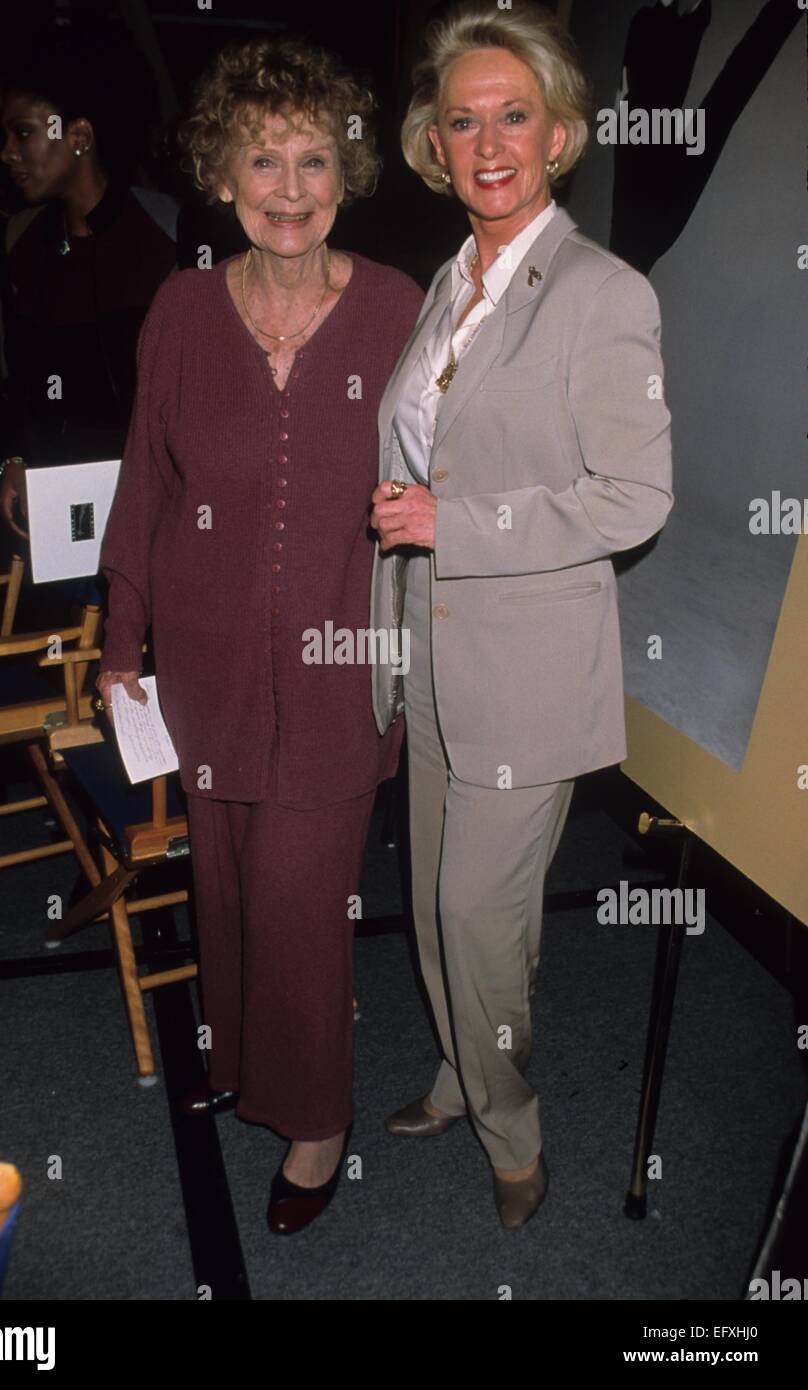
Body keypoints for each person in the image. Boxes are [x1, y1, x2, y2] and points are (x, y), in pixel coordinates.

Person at [96, 36, 423, 1235]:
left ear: (347, 174)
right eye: (263, 161)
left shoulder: (396, 309)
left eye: (314, 160)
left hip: (344, 670)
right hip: (208, 661)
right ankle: (250, 1064)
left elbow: (460, 463)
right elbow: (145, 481)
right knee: (227, 889)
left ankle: (318, 1119)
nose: (291, 186)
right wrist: (122, 639)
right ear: (221, 177)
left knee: (300, 902)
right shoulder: (182, 309)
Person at [370, 0, 673, 1230]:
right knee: (442, 901)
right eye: (461, 120)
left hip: (527, 667)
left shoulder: (602, 293)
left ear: (560, 135)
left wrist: (461, 527)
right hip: (430, 646)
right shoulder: (451, 283)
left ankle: (513, 1129)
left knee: (472, 918)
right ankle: (460, 1068)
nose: (486, 142)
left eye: (513, 117)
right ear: (429, 143)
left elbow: (636, 496)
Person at [0, 19, 178, 552]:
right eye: (4, 136)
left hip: (153, 501)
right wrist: (15, 457)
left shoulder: (167, 230)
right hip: (59, 501)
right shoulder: (22, 241)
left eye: (23, 132)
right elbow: (22, 374)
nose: (7, 152)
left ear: (78, 136)